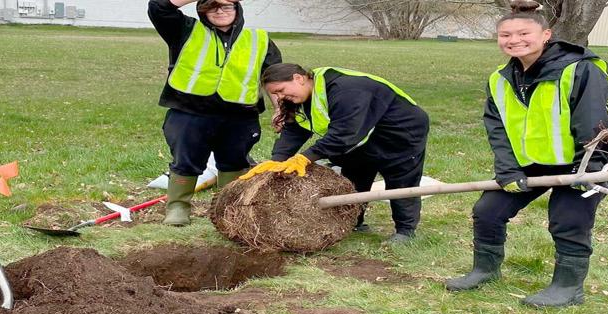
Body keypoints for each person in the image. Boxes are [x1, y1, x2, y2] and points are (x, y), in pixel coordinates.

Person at [446, 0, 608, 307]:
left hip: (588, 159)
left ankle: (569, 288)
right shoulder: (501, 80)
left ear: (546, 35)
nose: (514, 40)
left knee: (568, 217)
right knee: (488, 210)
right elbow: (498, 129)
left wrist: (591, 168)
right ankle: (484, 269)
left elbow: (594, 123)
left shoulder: (580, 70)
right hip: (535, 161)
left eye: (523, 33)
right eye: (505, 35)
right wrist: (507, 170)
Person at [238, 63, 430, 245]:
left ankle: (405, 231)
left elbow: (344, 134)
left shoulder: (347, 90)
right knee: (354, 179)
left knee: (401, 181)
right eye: (275, 94)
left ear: (299, 78)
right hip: (361, 140)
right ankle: (354, 223)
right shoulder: (304, 97)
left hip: (399, 135)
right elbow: (297, 128)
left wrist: (304, 157)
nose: (280, 97)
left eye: (281, 90)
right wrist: (278, 159)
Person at [148, 0, 282, 225]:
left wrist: (280, 108)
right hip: (190, 112)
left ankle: (229, 209)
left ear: (237, 9)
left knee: (235, 162)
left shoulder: (259, 39)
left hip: (240, 115)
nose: (220, 11)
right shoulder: (185, 29)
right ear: (203, 10)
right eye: (213, 6)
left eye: (227, 6)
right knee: (185, 160)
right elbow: (159, 6)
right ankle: (178, 208)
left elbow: (274, 78)